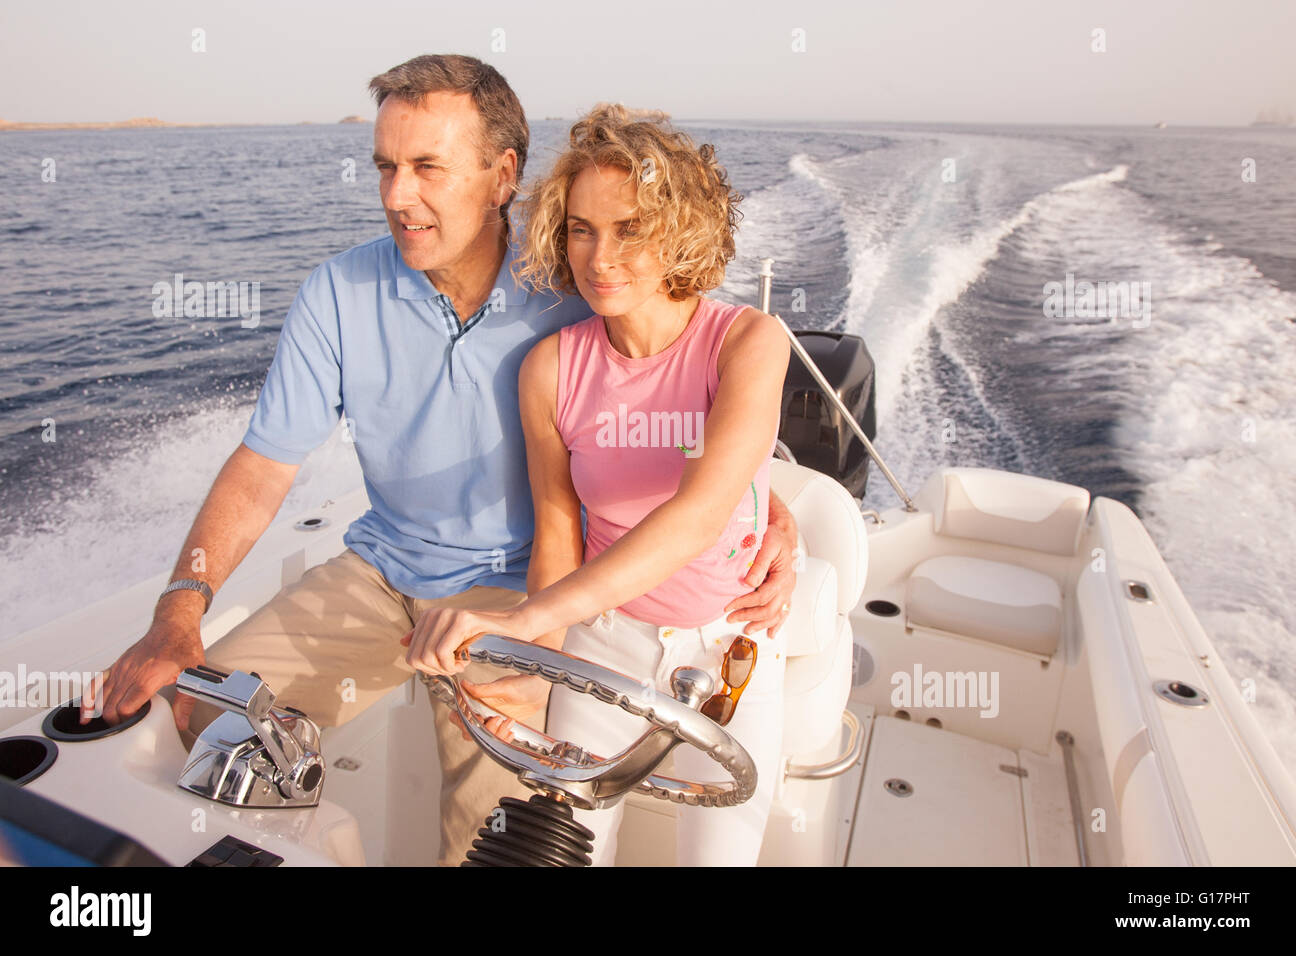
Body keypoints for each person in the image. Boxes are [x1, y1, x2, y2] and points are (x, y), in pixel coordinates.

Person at [79, 56, 799, 866]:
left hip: (522, 589)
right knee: (208, 717)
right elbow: (263, 465)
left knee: (506, 843)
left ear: (502, 175)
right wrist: (181, 609)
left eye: (426, 167)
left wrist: (774, 511)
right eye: (385, 165)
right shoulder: (337, 292)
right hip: (383, 569)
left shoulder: (585, 292)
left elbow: (681, 418)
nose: (395, 195)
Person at [404, 105, 792, 866]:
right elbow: (558, 535)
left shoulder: (748, 342)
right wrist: (531, 661)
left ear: (681, 231)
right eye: (581, 228)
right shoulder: (548, 370)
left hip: (728, 651)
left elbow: (699, 514)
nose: (599, 256)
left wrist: (524, 621)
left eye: (629, 229)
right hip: (603, 643)